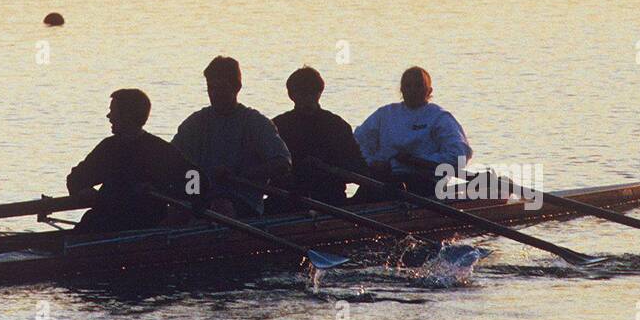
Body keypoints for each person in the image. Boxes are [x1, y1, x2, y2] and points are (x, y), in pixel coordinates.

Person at [172, 56, 292, 217]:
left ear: (237, 87)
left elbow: (283, 163)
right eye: (211, 88)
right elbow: (169, 159)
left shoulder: (255, 122)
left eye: (221, 88)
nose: (215, 94)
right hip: (200, 198)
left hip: (242, 201)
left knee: (222, 206)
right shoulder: (194, 123)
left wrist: (238, 174)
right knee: (174, 210)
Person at [66, 88, 196, 234]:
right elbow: (75, 178)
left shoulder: (159, 150)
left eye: (113, 111)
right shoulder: (108, 148)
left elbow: (196, 178)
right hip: (104, 222)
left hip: (145, 227)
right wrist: (83, 191)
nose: (109, 116)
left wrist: (182, 201)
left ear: (127, 115)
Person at [353, 67, 472, 198]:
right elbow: (357, 143)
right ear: (401, 89)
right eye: (408, 86)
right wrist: (372, 162)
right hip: (384, 179)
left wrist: (417, 160)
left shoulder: (439, 118)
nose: (413, 90)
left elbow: (458, 156)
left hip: (424, 182)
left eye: (419, 86)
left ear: (429, 91)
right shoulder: (385, 114)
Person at [269, 67, 367, 211]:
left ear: (320, 93)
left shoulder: (337, 125)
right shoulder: (276, 127)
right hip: (287, 201)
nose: (308, 98)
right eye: (302, 93)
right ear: (291, 95)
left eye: (312, 93)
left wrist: (326, 168)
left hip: (330, 201)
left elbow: (357, 168)